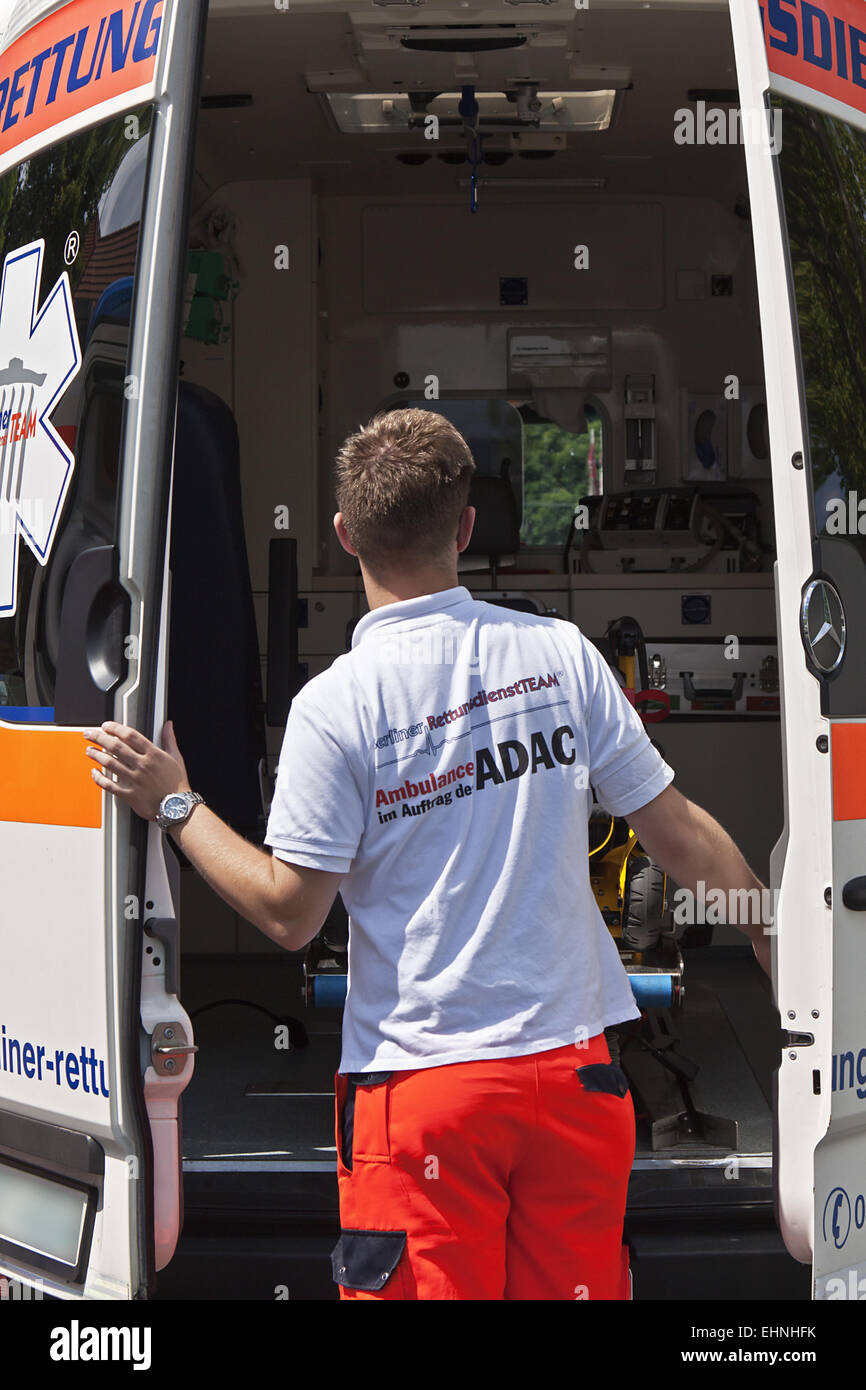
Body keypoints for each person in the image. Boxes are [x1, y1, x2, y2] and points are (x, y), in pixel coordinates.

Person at [83, 407, 772, 1301]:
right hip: (577, 1082)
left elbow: (293, 916)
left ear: (340, 538)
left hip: (427, 1096)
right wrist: (770, 928)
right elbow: (675, 829)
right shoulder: (559, 654)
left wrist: (174, 804)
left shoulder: (336, 705)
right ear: (467, 526)